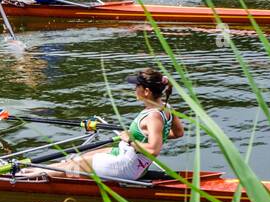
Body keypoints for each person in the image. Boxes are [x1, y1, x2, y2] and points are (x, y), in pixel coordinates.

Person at [23, 69, 184, 182]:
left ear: (147, 91)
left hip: (127, 167)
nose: (134, 89)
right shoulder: (166, 108)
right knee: (77, 158)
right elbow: (178, 133)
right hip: (127, 157)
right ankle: (35, 170)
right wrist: (143, 137)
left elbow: (153, 149)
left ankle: (24, 175)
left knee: (73, 166)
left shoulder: (153, 116)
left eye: (137, 87)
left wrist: (130, 140)